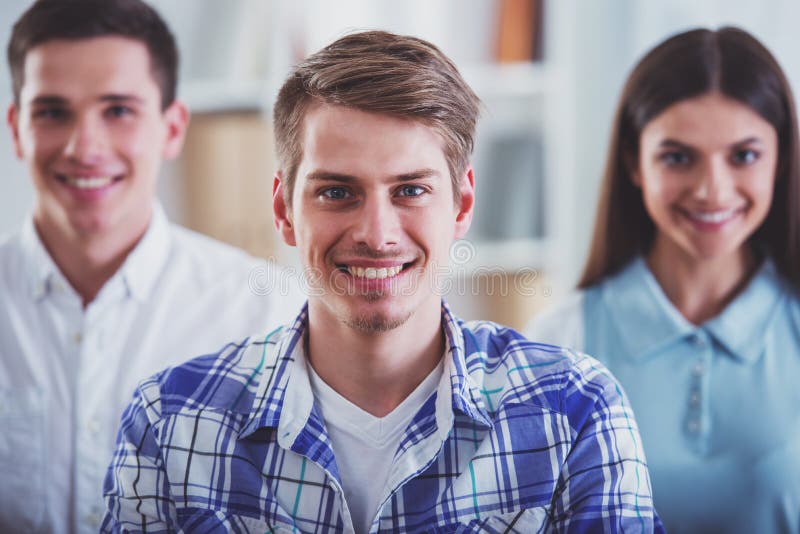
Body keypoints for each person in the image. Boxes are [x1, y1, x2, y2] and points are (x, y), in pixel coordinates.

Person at [102, 30, 663, 533]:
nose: (376, 234)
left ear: (462, 204)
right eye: (337, 192)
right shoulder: (169, 423)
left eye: (410, 190)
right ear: (284, 209)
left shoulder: (572, 412)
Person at [0, 0, 302, 532]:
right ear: (17, 128)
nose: (84, 147)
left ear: (172, 127)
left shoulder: (266, 314)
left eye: (118, 110)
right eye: (52, 112)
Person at [527, 27, 800, 533]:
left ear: (780, 159)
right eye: (678, 157)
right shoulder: (557, 344)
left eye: (744, 156)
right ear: (634, 162)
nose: (712, 190)